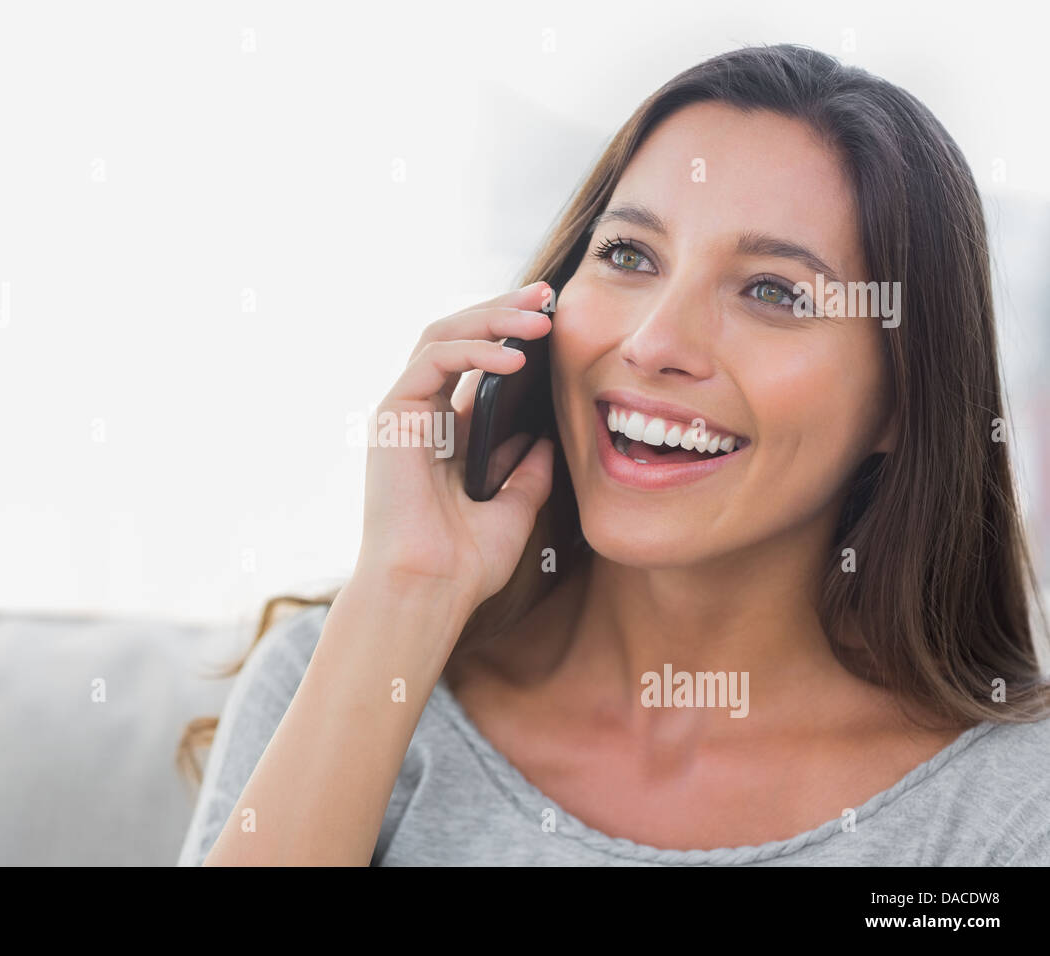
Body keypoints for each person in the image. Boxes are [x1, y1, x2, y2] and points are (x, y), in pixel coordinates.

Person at [178, 43, 1050, 866]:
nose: (654, 341)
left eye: (774, 292)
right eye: (628, 254)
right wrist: (408, 588)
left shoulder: (1010, 809)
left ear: (903, 398)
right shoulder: (350, 669)